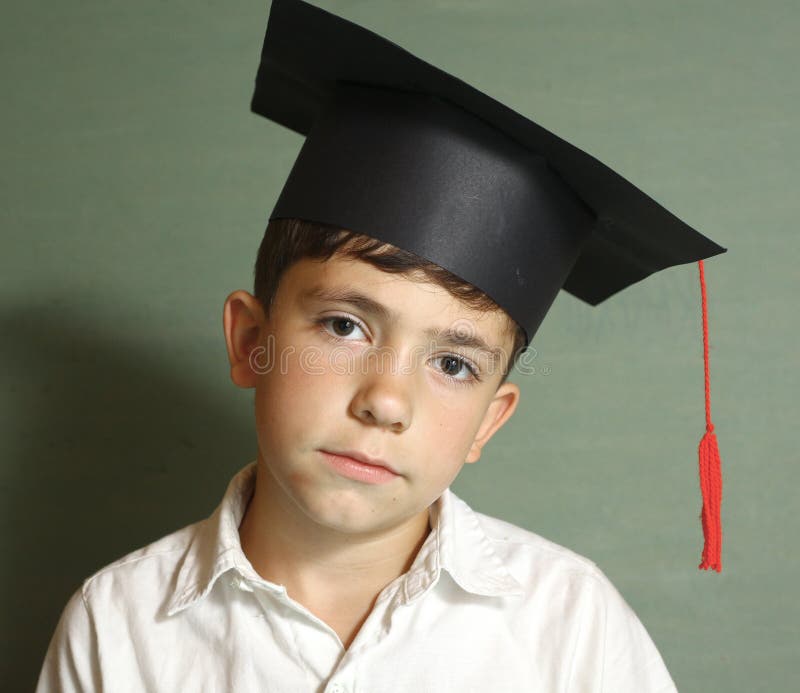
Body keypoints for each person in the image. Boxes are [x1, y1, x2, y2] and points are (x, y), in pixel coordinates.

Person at [36, 0, 726, 690]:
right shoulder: (117, 628)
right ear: (252, 341)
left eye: (453, 363)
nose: (387, 400)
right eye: (344, 325)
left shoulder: (573, 628)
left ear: (490, 417)